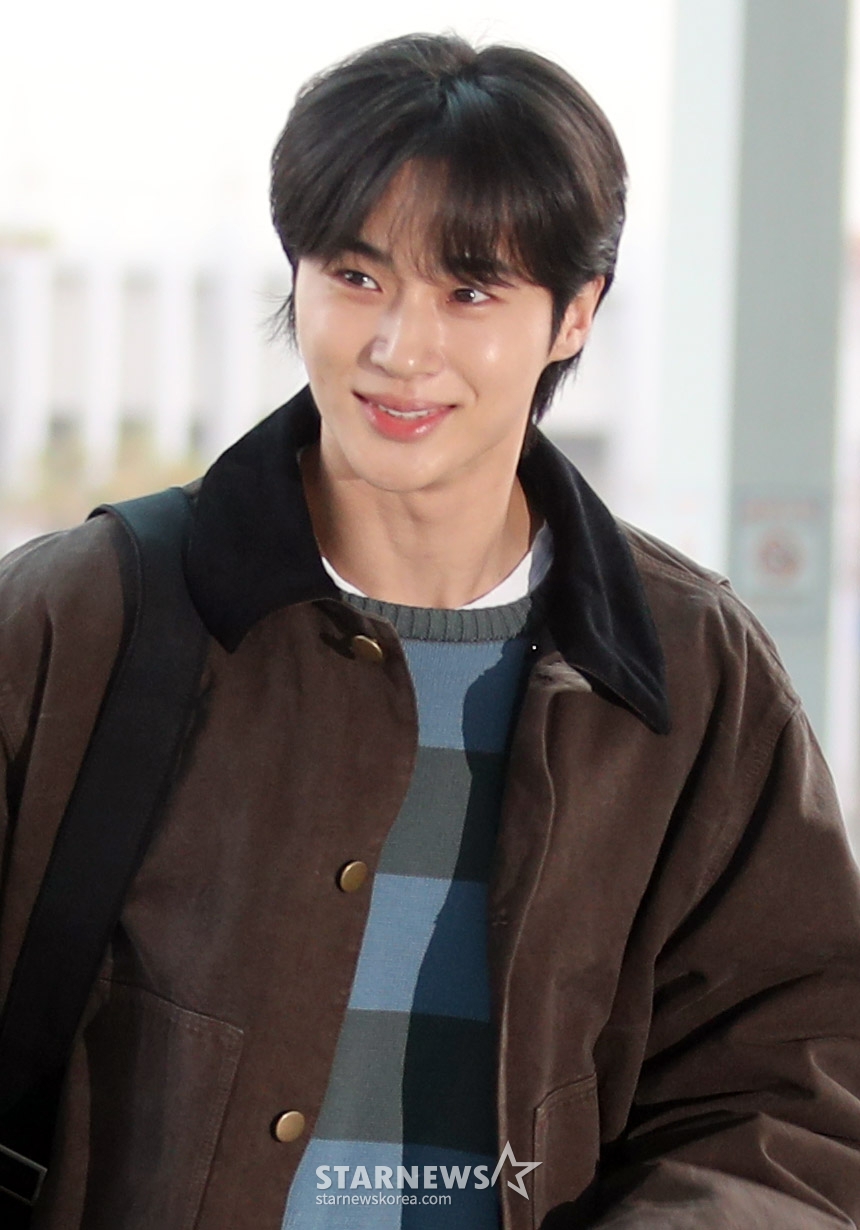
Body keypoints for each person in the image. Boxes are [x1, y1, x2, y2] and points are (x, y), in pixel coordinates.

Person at [0, 31, 859, 1230]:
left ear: (573, 316)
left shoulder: (690, 674)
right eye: (357, 278)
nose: (401, 350)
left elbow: (790, 1098)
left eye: (469, 292)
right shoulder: (79, 619)